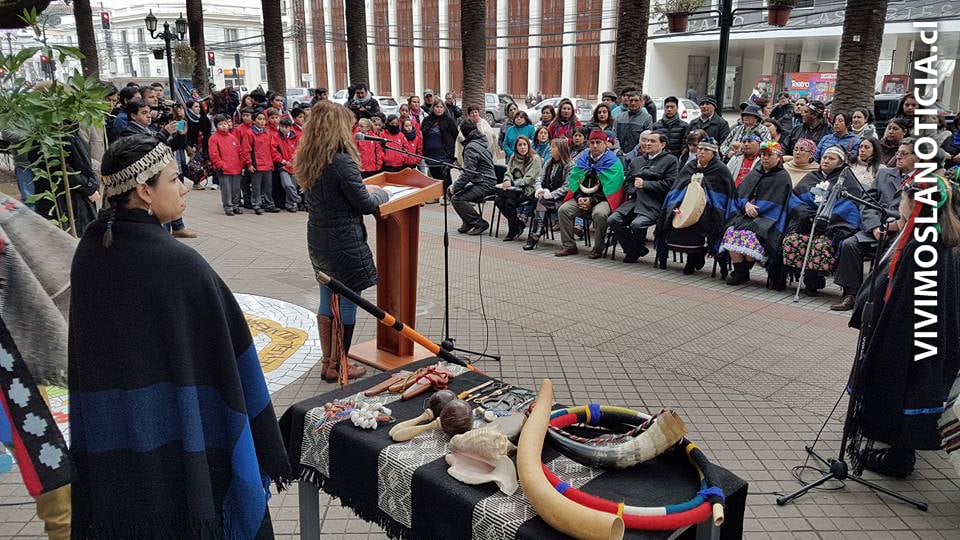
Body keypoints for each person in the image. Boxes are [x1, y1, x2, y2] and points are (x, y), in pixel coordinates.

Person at [69, 134, 291, 537]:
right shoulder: (181, 266)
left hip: (114, 443)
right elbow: (230, 365)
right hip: (184, 448)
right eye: (174, 179)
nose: (185, 185)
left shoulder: (89, 255)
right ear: (144, 191)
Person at [848, 174, 960, 479]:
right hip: (930, 338)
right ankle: (898, 449)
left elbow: (902, 299)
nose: (900, 205)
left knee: (903, 389)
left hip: (910, 337)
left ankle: (899, 458)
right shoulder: (941, 238)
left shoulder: (922, 247)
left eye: (905, 199)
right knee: (912, 389)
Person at [295, 102, 390, 382]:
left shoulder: (309, 157)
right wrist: (381, 194)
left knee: (328, 297)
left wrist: (364, 189)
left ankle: (328, 362)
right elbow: (363, 204)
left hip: (319, 238)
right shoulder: (342, 161)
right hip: (344, 242)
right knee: (348, 302)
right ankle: (340, 365)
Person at [0, 193, 74, 540]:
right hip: (11, 373)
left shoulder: (4, 211)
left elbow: (53, 256)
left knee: (56, 488)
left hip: (12, 371)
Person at [830, 139, 915, 311]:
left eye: (904, 154)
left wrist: (894, 226)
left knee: (895, 255)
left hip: (902, 233)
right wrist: (875, 226)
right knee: (850, 244)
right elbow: (867, 203)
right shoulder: (885, 174)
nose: (898, 157)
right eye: (898, 152)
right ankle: (850, 295)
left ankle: (881, 299)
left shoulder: (923, 181)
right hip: (877, 228)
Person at [781, 145, 867, 296]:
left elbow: (850, 206)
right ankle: (805, 278)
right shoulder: (812, 176)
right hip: (807, 222)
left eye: (831, 158)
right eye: (825, 157)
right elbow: (795, 197)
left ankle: (814, 280)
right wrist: (807, 214)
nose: (826, 161)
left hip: (831, 227)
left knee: (820, 245)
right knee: (793, 240)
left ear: (841, 163)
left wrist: (826, 218)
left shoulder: (847, 179)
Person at [655, 137, 734, 274]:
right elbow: (677, 187)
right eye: (700, 149)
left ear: (713, 153)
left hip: (711, 207)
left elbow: (724, 194)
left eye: (706, 150)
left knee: (703, 220)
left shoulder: (720, 169)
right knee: (672, 214)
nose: (701, 152)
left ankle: (696, 257)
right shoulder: (690, 166)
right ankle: (689, 257)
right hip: (685, 202)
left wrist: (703, 196)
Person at [720, 141, 793, 287]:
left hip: (768, 218)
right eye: (763, 155)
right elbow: (740, 193)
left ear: (779, 158)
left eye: (769, 155)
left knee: (751, 235)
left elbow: (777, 202)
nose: (765, 158)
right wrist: (745, 204)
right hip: (745, 213)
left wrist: (757, 209)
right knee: (731, 231)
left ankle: (742, 271)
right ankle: (740, 270)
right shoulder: (756, 171)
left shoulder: (782, 177)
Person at [608, 132, 679, 263]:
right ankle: (635, 249)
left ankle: (633, 251)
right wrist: (635, 189)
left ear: (662, 145)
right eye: (646, 141)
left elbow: (671, 184)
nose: (648, 144)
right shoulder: (637, 161)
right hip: (635, 201)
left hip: (655, 202)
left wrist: (645, 184)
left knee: (637, 224)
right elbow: (627, 183)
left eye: (652, 141)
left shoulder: (670, 160)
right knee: (613, 220)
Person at [555, 130, 626, 258]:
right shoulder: (583, 159)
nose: (594, 146)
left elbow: (612, 189)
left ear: (605, 144)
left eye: (598, 142)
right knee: (563, 210)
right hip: (581, 197)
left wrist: (591, 201)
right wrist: (579, 197)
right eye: (592, 142)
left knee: (600, 214)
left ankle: (598, 248)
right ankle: (569, 246)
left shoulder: (613, 163)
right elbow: (574, 182)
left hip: (602, 199)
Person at [524, 137, 573, 250]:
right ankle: (538, 230)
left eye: (552, 147)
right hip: (545, 197)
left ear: (560, 149)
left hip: (562, 199)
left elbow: (567, 187)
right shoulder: (548, 162)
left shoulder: (570, 165)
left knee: (541, 202)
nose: (550, 149)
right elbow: (539, 178)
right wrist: (539, 189)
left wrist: (550, 195)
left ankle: (536, 233)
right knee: (539, 200)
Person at [450, 119, 497, 235]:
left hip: (485, 183)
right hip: (483, 180)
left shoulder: (471, 147)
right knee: (452, 192)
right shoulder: (482, 140)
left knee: (456, 198)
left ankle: (479, 222)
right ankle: (468, 221)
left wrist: (455, 186)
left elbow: (469, 173)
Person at [496, 136, 543, 241]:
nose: (522, 147)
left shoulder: (535, 159)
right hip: (513, 189)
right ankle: (518, 224)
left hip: (529, 189)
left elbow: (529, 179)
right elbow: (508, 171)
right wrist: (506, 180)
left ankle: (512, 230)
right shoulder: (513, 157)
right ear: (516, 147)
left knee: (509, 202)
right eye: (520, 145)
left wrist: (512, 182)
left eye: (524, 144)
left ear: (528, 146)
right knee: (498, 199)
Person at [244, 109, 280, 214]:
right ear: (254, 121)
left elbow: (272, 148)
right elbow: (246, 150)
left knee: (268, 186)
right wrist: (249, 164)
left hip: (268, 164)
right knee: (256, 187)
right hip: (257, 164)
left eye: (264, 119)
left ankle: (269, 204)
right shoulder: (249, 133)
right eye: (259, 119)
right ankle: (256, 204)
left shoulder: (267, 132)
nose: (262, 121)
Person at [208, 114, 244, 216]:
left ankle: (235, 205)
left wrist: (241, 164)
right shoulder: (214, 138)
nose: (224, 126)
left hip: (236, 167)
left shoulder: (233, 138)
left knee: (236, 189)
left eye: (225, 123)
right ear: (216, 126)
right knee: (226, 190)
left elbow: (240, 152)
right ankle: (228, 207)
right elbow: (214, 154)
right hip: (224, 169)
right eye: (220, 124)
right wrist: (221, 165)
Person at [421, 100, 459, 182]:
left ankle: (447, 194)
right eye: (437, 107)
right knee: (435, 179)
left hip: (445, 156)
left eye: (441, 107)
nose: (439, 109)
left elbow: (456, 135)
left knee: (445, 178)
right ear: (433, 108)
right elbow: (423, 136)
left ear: (444, 109)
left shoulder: (449, 120)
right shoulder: (427, 120)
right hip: (431, 156)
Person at [274, 118, 303, 212]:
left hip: (294, 165)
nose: (284, 129)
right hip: (283, 165)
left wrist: (292, 161)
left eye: (286, 127)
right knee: (287, 184)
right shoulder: (276, 136)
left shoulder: (295, 137)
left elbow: (298, 151)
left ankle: (290, 204)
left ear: (290, 128)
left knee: (293, 185)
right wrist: (283, 161)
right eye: (282, 127)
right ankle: (297, 198)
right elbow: (273, 151)